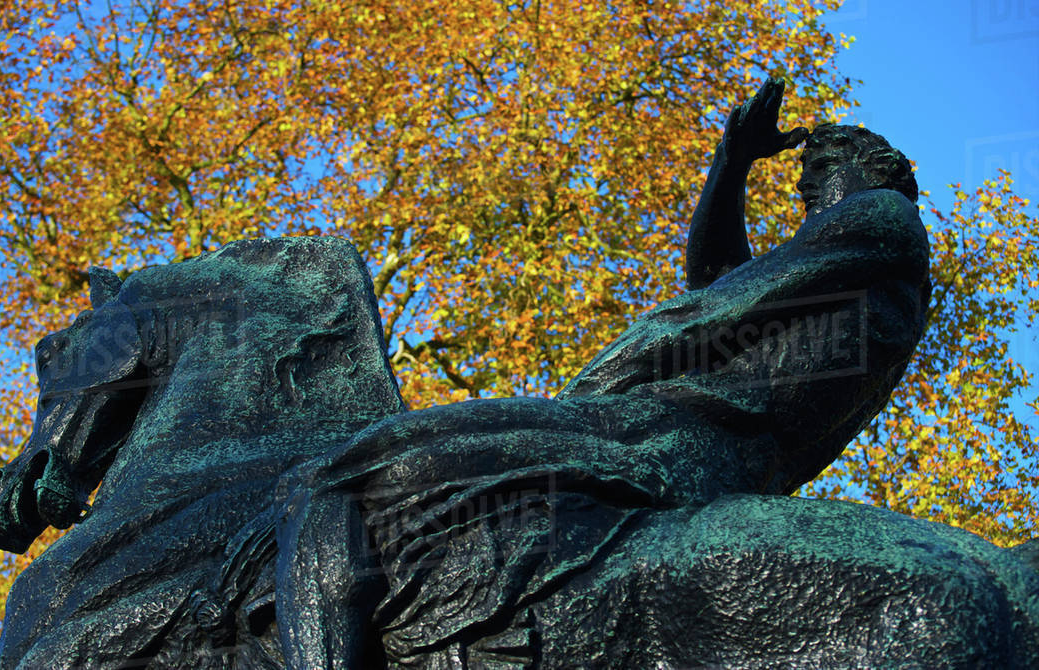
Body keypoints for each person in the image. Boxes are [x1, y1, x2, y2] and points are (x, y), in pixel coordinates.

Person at [236, 78, 931, 669]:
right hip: (698, 446)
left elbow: (711, 312)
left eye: (819, 167)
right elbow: (723, 278)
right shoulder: (870, 258)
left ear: (865, 164)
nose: (805, 184)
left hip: (658, 435)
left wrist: (586, 396)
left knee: (333, 482)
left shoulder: (879, 214)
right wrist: (730, 168)